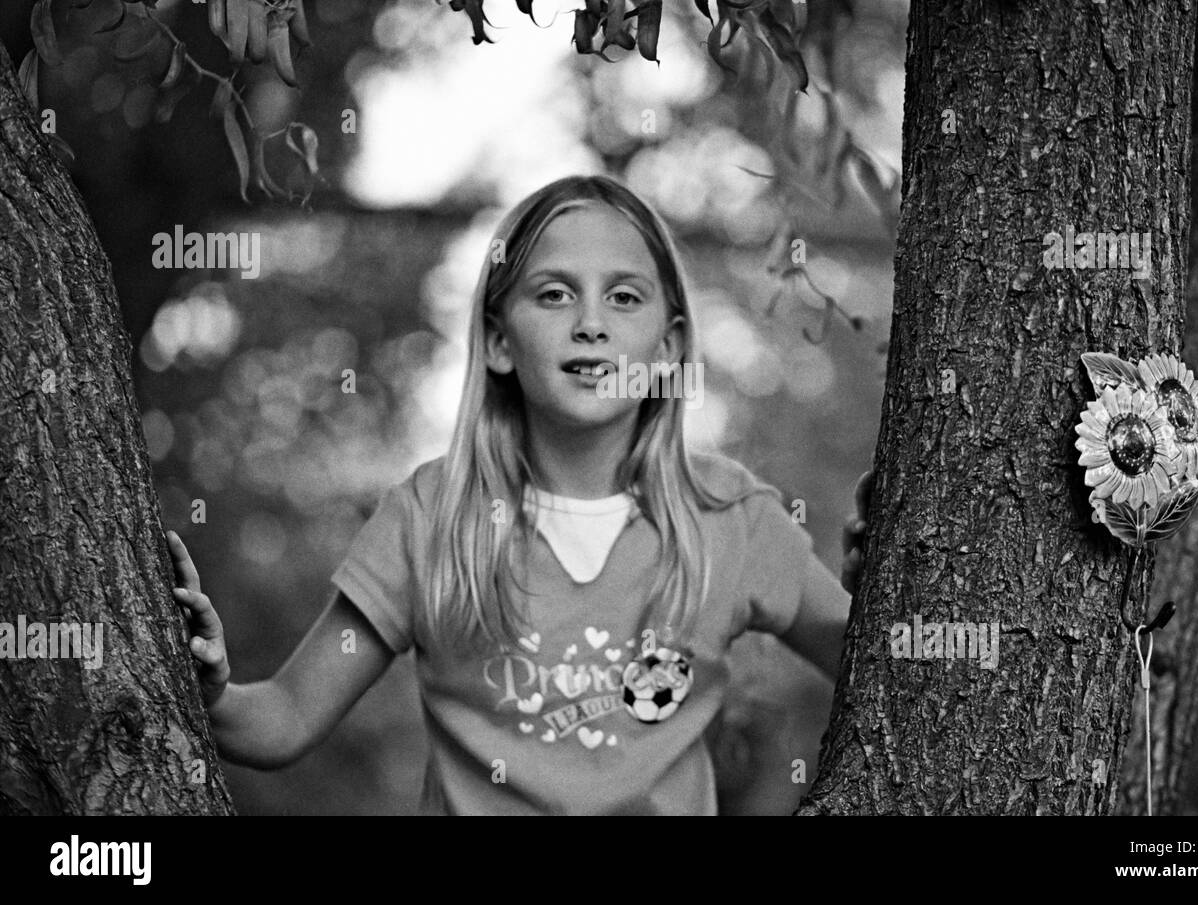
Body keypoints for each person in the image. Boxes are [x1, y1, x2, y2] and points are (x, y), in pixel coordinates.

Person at [169, 174, 873, 815]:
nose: (589, 321)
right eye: (554, 293)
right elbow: (286, 716)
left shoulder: (730, 517)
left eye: (624, 297)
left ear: (667, 349)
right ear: (501, 342)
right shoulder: (431, 517)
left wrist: (880, 584)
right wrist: (213, 691)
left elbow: (876, 669)